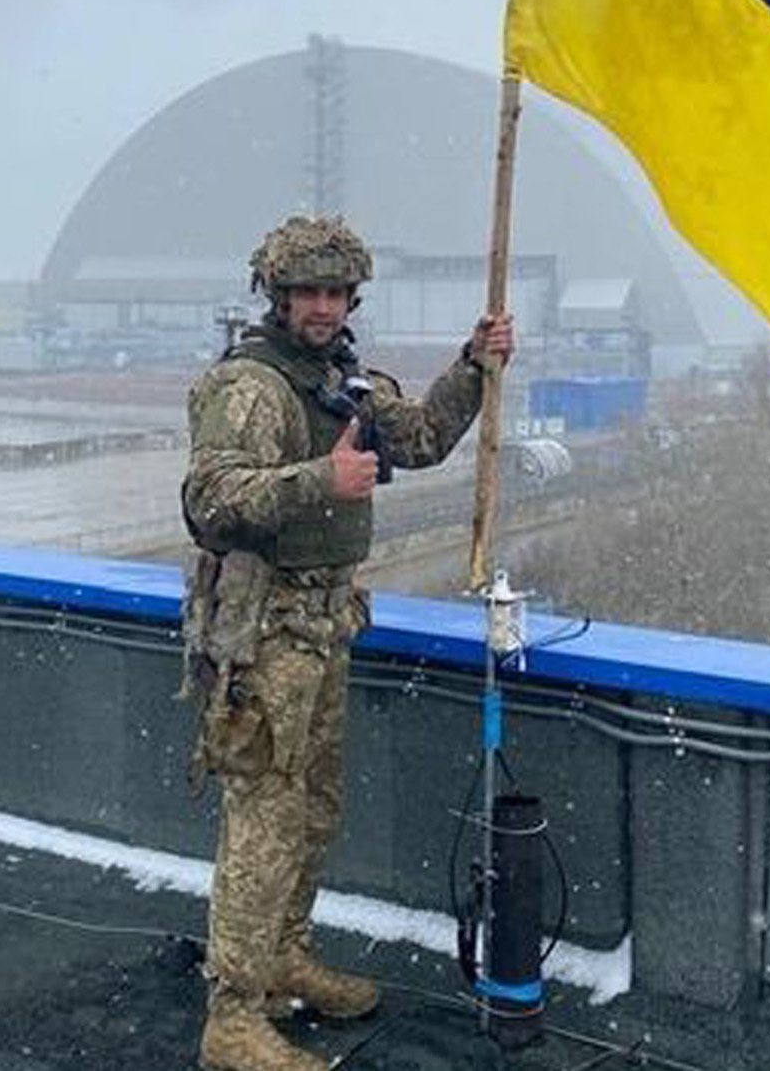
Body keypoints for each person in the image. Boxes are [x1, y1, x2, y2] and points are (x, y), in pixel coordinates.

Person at [179, 214, 516, 1071]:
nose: (323, 307)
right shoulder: (251, 387)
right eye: (308, 293)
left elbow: (421, 438)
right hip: (266, 634)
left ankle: (285, 953)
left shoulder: (342, 379)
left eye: (335, 293)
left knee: (313, 809)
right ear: (278, 296)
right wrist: (317, 480)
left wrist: (472, 370)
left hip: (324, 627)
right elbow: (210, 503)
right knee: (263, 821)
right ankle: (234, 1015)